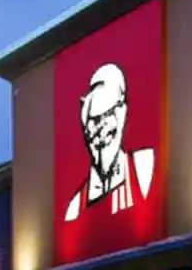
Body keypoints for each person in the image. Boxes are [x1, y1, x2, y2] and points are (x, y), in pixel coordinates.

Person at [63, 62, 155, 223]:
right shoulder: (75, 207)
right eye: (93, 121)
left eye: (106, 115)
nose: (99, 132)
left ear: (122, 113)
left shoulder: (144, 167)